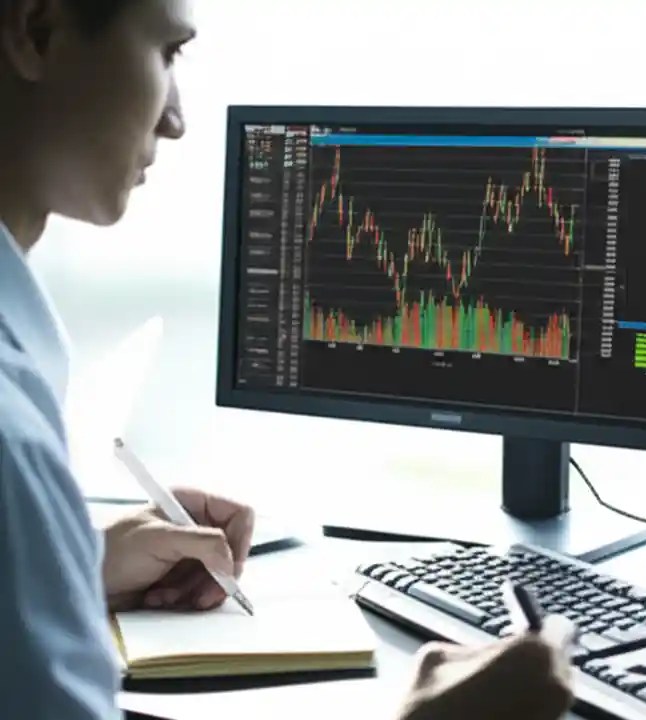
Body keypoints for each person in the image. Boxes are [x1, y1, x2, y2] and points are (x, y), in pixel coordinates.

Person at [0, 1, 576, 718]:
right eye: (167, 52)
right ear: (36, 32)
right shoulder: (10, 437)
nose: (174, 118)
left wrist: (74, 561)